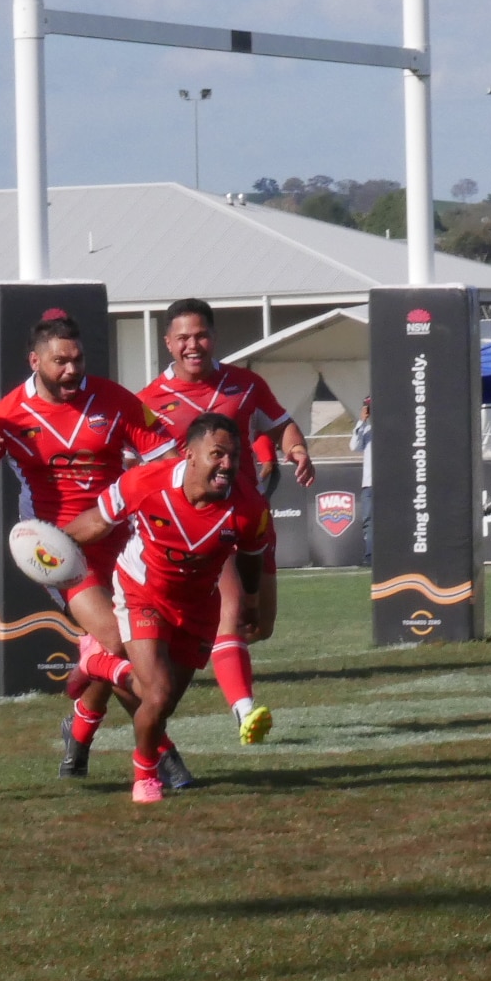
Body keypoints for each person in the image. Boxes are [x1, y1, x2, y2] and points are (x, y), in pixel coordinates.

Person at [0, 313, 174, 780]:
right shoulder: (5, 415)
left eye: (78, 360)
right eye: (60, 361)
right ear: (34, 360)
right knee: (118, 641)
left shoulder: (115, 400)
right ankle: (162, 753)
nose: (71, 370)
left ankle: (78, 731)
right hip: (56, 548)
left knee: (135, 649)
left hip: (121, 540)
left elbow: (167, 460)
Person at [65, 414, 270, 805]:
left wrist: (253, 601)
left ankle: (100, 664)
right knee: (155, 696)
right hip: (142, 594)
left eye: (235, 456)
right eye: (218, 454)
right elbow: (98, 521)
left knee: (163, 703)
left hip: (197, 607)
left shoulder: (249, 509)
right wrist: (52, 545)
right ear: (189, 454)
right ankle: (145, 777)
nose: (228, 464)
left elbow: (251, 557)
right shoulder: (146, 481)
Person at [138, 299, 311, 745]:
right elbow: (135, 466)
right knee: (232, 612)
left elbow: (282, 425)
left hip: (251, 518)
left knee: (259, 624)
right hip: (197, 524)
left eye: (200, 335)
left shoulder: (245, 384)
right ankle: (244, 710)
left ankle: (213, 656)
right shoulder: (148, 402)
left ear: (213, 337)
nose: (192, 345)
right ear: (168, 343)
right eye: (183, 338)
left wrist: (297, 450)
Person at [349, 395, 373, 560]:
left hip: (389, 481)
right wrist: (361, 421)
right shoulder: (365, 429)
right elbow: (354, 446)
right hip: (369, 482)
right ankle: (370, 554)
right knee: (369, 520)